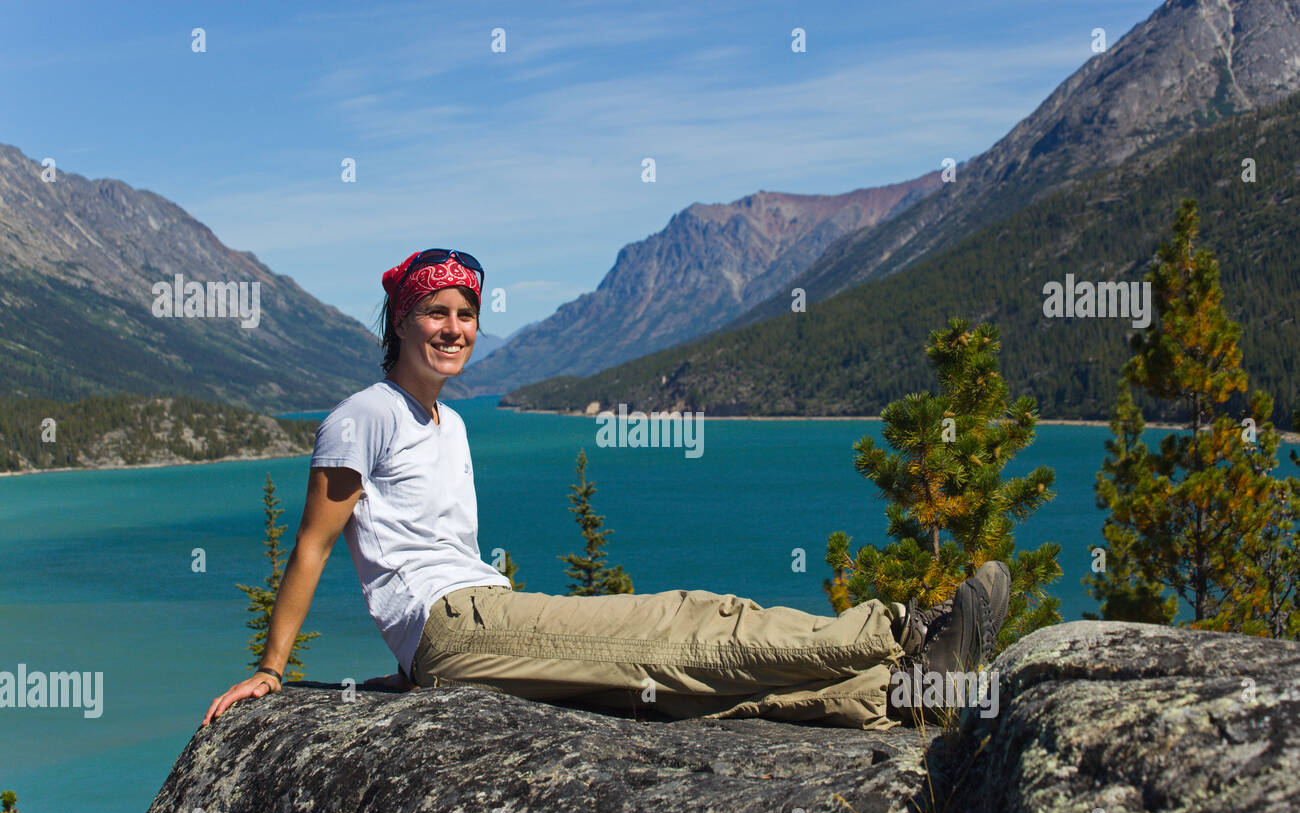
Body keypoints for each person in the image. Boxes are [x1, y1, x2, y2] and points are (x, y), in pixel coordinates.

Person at [202, 248, 1010, 732]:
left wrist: (413, 669)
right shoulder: (364, 415)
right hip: (459, 622)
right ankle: (901, 632)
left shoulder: (448, 424)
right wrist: (273, 668)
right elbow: (312, 544)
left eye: (466, 315)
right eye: (435, 313)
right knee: (685, 624)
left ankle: (902, 698)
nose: (454, 329)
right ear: (400, 322)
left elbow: (423, 550)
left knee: (677, 696)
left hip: (465, 628)